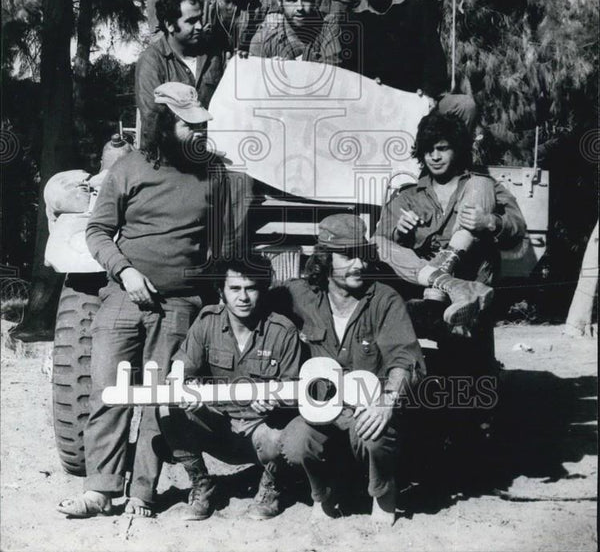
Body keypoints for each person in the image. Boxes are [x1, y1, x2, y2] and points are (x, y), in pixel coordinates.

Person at [57, 83, 239, 518]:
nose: (197, 131)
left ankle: (142, 492)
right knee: (108, 391)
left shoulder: (213, 174)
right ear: (162, 124)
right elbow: (98, 231)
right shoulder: (129, 168)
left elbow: (226, 245)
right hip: (123, 295)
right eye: (186, 123)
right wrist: (126, 270)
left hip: (179, 305)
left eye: (201, 123)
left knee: (161, 399)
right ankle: (100, 490)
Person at [277, 215, 425, 527]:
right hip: (321, 412)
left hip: (367, 409)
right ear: (324, 261)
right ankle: (325, 492)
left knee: (376, 431)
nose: (358, 264)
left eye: (363, 254)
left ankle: (383, 491)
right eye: (347, 255)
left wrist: (386, 402)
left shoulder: (384, 299)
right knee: (295, 443)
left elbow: (405, 360)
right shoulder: (298, 295)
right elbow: (249, 304)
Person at [158, 254, 302, 521]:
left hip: (260, 429)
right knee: (168, 409)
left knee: (281, 433)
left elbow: (294, 389)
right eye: (235, 289)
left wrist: (277, 402)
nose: (243, 297)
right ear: (221, 292)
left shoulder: (283, 331)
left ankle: (270, 489)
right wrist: (185, 388)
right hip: (219, 424)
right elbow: (182, 367)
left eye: (251, 288)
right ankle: (202, 485)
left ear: (263, 289)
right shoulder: (207, 321)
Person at [373, 112, 526, 330]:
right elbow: (381, 244)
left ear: (457, 149)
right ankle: (451, 284)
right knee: (376, 242)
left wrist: (490, 221)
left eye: (442, 149)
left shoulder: (484, 185)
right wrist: (399, 232)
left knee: (481, 183)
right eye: (428, 150)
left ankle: (450, 274)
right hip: (422, 284)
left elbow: (518, 228)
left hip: (470, 272)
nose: (434, 157)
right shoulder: (408, 195)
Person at [340, 0, 477, 131]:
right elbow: (350, 74)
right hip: (377, 106)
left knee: (464, 106)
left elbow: (434, 59)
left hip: (418, 100)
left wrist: (428, 95)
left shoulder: (415, 7)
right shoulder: (352, 20)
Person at [135, 0, 224, 151]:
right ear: (169, 25)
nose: (199, 26)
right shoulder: (151, 61)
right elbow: (152, 119)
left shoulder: (214, 54)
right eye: (191, 21)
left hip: (213, 151)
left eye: (200, 19)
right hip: (169, 159)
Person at [249, 0, 342, 64]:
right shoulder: (264, 38)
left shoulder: (327, 26)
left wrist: (290, 68)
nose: (300, 7)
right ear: (279, 1)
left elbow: (332, 69)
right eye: (292, 0)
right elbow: (254, 75)